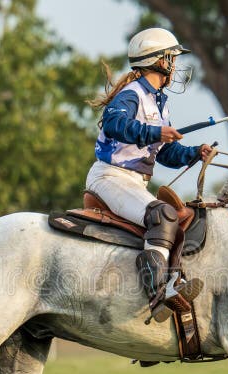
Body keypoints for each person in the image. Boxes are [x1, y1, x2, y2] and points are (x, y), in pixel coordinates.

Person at [86, 28, 213, 322]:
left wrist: (195, 152)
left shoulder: (160, 103)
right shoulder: (132, 94)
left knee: (174, 214)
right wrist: (156, 132)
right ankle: (158, 293)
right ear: (160, 61)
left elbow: (164, 153)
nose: (175, 65)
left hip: (133, 182)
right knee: (164, 215)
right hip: (110, 177)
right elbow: (114, 123)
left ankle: (170, 283)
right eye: (172, 58)